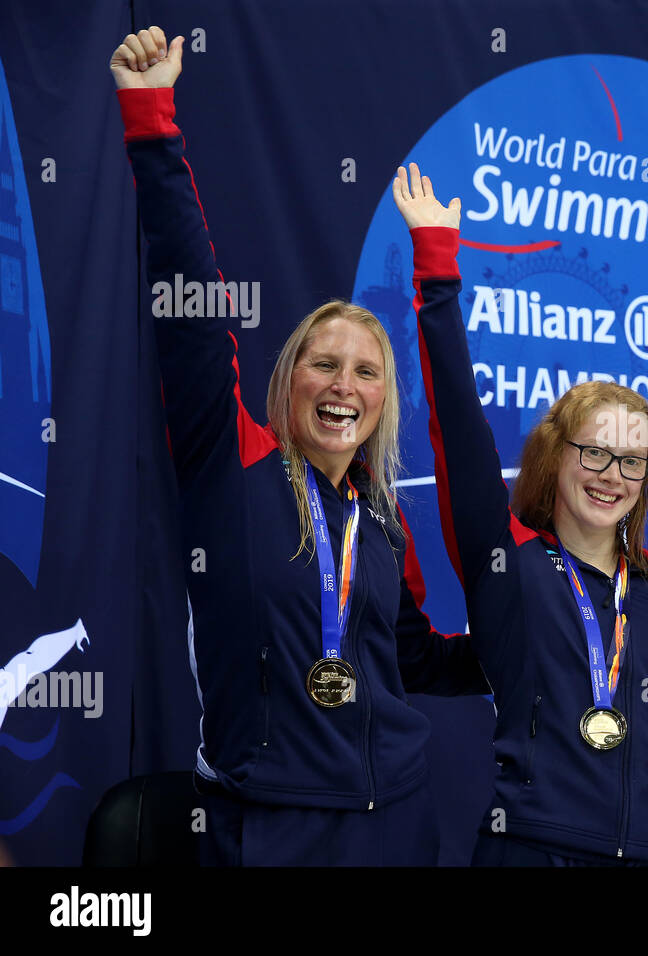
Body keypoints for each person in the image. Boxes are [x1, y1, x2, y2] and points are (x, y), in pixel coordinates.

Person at [111, 27, 488, 866]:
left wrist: (515, 651)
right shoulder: (230, 462)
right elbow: (196, 311)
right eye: (324, 364)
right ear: (289, 380)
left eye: (365, 371)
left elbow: (416, 658)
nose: (344, 386)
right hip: (264, 821)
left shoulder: (382, 521)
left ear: (384, 400)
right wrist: (152, 120)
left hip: (396, 820)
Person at [391, 163, 648, 865]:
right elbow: (461, 439)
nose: (611, 475)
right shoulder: (510, 568)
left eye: (632, 460)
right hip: (535, 847)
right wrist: (438, 271)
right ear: (554, 459)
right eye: (593, 452)